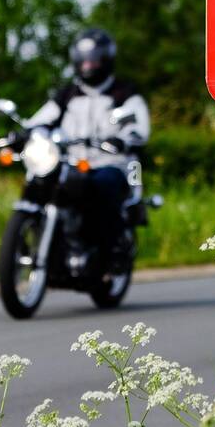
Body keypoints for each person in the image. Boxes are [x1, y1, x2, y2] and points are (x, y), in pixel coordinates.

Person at [21, 28, 150, 261]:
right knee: (43, 182)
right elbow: (43, 119)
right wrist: (26, 131)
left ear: (106, 59)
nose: (88, 64)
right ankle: (52, 242)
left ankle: (106, 251)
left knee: (104, 187)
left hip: (109, 163)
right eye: (85, 59)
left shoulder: (124, 93)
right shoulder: (68, 94)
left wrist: (123, 139)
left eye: (94, 59)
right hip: (70, 162)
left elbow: (139, 128)